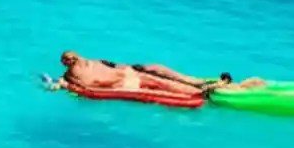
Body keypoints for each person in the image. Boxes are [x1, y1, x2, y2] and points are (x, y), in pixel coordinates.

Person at [49, 51, 203, 97]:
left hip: (128, 72)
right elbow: (63, 83)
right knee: (158, 79)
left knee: (158, 69)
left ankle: (194, 83)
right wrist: (59, 84)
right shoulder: (72, 75)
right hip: (126, 80)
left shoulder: (87, 64)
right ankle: (197, 89)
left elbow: (112, 65)